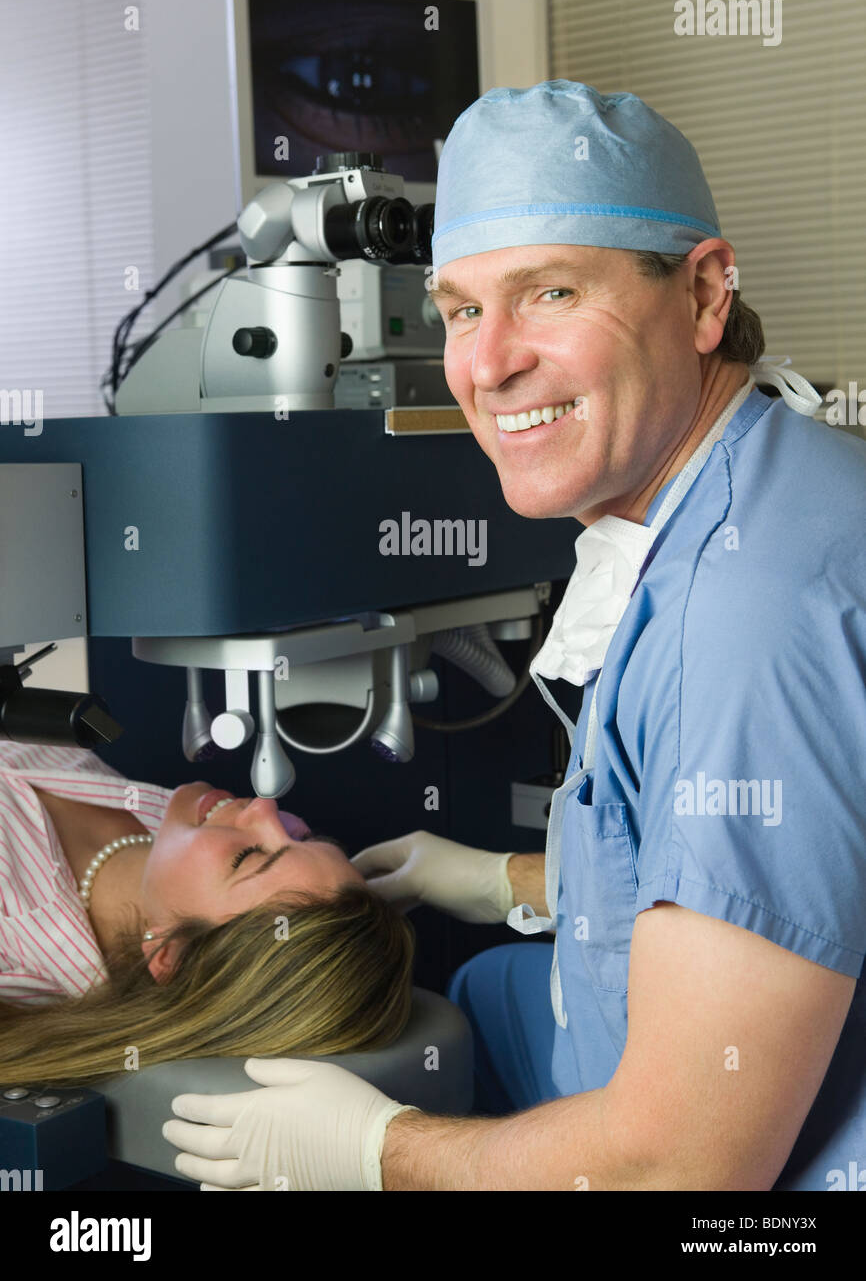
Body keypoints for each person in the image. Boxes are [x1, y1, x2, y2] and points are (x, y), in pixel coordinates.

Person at [163, 80, 866, 1192]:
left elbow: (682, 1166)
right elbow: (784, 866)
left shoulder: (735, 617)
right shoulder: (773, 485)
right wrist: (510, 882)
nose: (488, 366)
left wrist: (373, 1150)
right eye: (458, 310)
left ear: (702, 294)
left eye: (548, 293)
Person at [0, 739, 414, 1086]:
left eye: (248, 858)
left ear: (170, 954)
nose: (265, 808)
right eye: (302, 835)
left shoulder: (14, 946)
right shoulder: (162, 826)